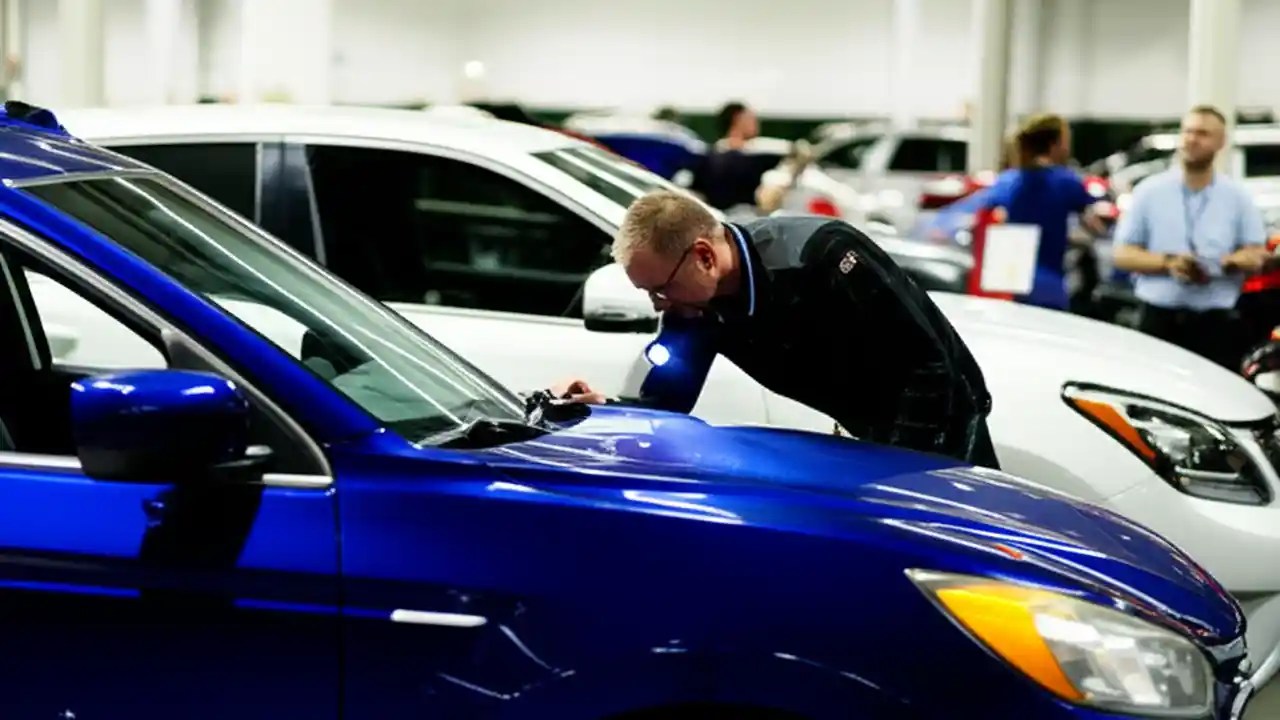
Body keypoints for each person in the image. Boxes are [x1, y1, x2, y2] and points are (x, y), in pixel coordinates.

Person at [553, 189, 999, 469]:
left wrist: (897, 468)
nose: (657, 304)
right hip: (871, 430)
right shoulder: (695, 305)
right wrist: (605, 409)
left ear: (705, 257)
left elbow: (926, 364)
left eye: (661, 289)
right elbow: (667, 402)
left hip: (947, 417)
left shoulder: (823, 255)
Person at [1112, 104, 1275, 368]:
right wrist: (1168, 263)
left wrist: (1225, 263)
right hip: (1157, 320)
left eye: (1202, 133)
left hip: (1215, 324)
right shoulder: (1149, 192)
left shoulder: (1237, 198)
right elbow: (1122, 254)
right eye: (1187, 132)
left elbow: (1256, 254)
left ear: (1220, 142)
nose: (1191, 139)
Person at [978, 113, 1108, 310]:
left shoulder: (1006, 181)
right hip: (1048, 286)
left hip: (1007, 281)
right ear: (1054, 144)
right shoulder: (1066, 181)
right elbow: (1093, 225)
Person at [688, 101, 764, 212]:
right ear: (737, 119)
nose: (757, 123)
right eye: (752, 119)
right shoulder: (714, 158)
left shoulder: (709, 156)